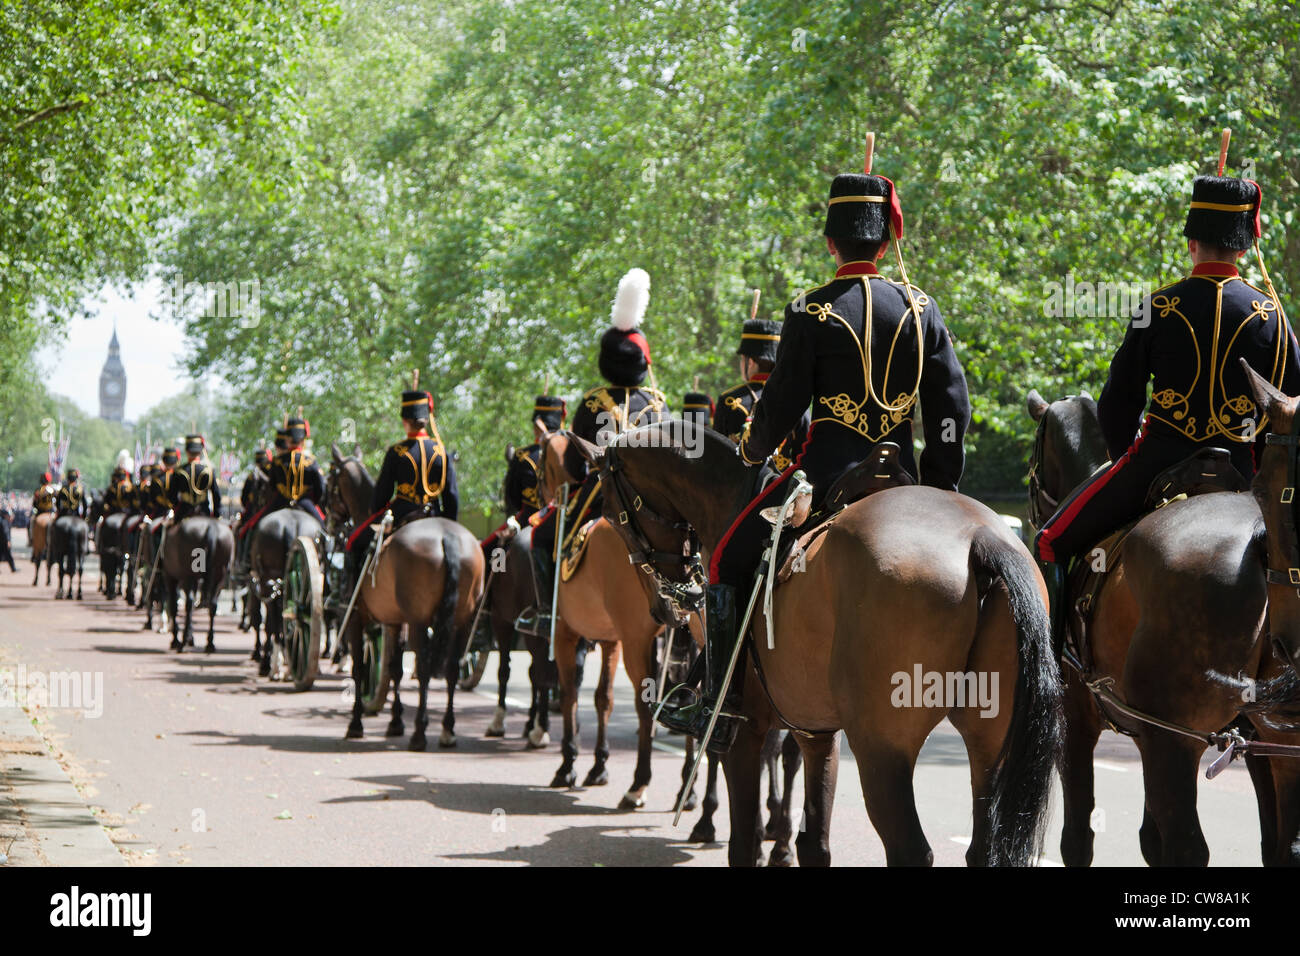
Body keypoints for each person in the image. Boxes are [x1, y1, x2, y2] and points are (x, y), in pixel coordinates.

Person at [656, 168, 971, 750]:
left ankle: (718, 702)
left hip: (826, 477)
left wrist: (751, 450)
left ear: (831, 241)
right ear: (883, 241)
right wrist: (940, 485)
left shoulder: (811, 309)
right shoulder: (921, 307)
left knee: (725, 560)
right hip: (904, 479)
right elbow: (952, 406)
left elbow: (780, 407)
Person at [1034, 166, 1300, 635]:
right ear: (1242, 247)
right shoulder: (1273, 318)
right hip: (1244, 475)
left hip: (1155, 466)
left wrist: (1123, 460)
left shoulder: (1159, 306)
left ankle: (1050, 673)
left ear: (1192, 242)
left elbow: (1117, 404)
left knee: (1052, 541)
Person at [530, 268, 667, 620]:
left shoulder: (592, 403)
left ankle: (548, 612)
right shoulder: (657, 403)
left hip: (600, 495)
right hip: (650, 496)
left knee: (542, 539)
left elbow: (576, 467)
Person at [345, 387, 458, 585]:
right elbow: (451, 496)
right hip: (435, 513)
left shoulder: (396, 452)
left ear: (405, 421)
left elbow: (382, 494)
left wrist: (375, 512)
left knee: (354, 542)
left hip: (402, 511)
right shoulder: (441, 451)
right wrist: (449, 523)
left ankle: (351, 599)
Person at [712, 316, 810, 472]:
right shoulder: (796, 399)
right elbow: (805, 457)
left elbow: (715, 456)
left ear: (750, 362)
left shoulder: (728, 400)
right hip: (781, 490)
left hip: (736, 491)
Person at [480, 395, 564, 568]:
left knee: (489, 552)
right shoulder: (569, 452)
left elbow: (513, 498)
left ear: (536, 426)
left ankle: (489, 587)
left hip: (527, 519)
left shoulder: (523, 455)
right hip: (563, 519)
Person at [168, 434, 221, 519]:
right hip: (204, 512)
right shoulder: (209, 471)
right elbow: (216, 495)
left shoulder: (178, 471)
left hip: (183, 513)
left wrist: (176, 508)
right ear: (200, 451)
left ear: (186, 451)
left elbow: (172, 496)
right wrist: (216, 515)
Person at [103, 451, 135, 516]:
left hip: (125, 486)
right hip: (116, 489)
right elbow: (113, 479)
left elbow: (130, 480)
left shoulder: (128, 471)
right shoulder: (117, 470)